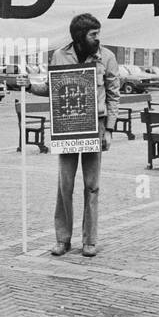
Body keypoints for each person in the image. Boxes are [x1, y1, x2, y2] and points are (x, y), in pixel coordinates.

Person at [50, 13, 120, 258]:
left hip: (96, 127)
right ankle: (63, 239)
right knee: (64, 185)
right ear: (80, 36)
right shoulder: (59, 56)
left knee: (92, 186)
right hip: (68, 127)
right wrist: (29, 85)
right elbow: (52, 89)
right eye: (93, 34)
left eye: (98, 33)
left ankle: (90, 240)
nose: (98, 38)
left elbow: (114, 95)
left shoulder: (107, 57)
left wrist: (109, 129)